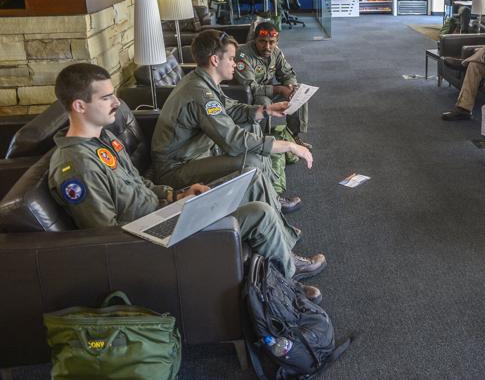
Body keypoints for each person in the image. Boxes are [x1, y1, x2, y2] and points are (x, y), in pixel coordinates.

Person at [48, 64, 326, 300]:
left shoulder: (103, 139)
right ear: (80, 105)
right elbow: (105, 238)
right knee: (260, 213)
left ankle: (285, 259)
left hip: (166, 213)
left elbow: (138, 185)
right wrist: (169, 216)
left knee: (248, 181)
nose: (117, 103)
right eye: (107, 97)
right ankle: (289, 290)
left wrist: (175, 196)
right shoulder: (76, 167)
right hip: (152, 240)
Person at [150, 29, 311, 214]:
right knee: (252, 159)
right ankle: (271, 204)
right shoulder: (201, 93)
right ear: (215, 60)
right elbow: (233, 141)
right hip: (176, 169)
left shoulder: (202, 80)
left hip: (194, 152)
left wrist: (265, 110)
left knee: (251, 123)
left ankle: (269, 194)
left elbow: (231, 108)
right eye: (231, 58)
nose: (235, 64)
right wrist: (288, 146)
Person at [234, 20, 311, 148]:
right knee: (263, 102)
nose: (267, 46)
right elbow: (249, 88)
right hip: (248, 95)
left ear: (277, 42)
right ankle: (262, 142)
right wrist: (280, 89)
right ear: (255, 40)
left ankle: (293, 136)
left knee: (298, 93)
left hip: (270, 90)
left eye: (272, 42)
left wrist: (290, 86)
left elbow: (287, 73)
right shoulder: (243, 55)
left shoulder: (276, 52)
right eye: (262, 41)